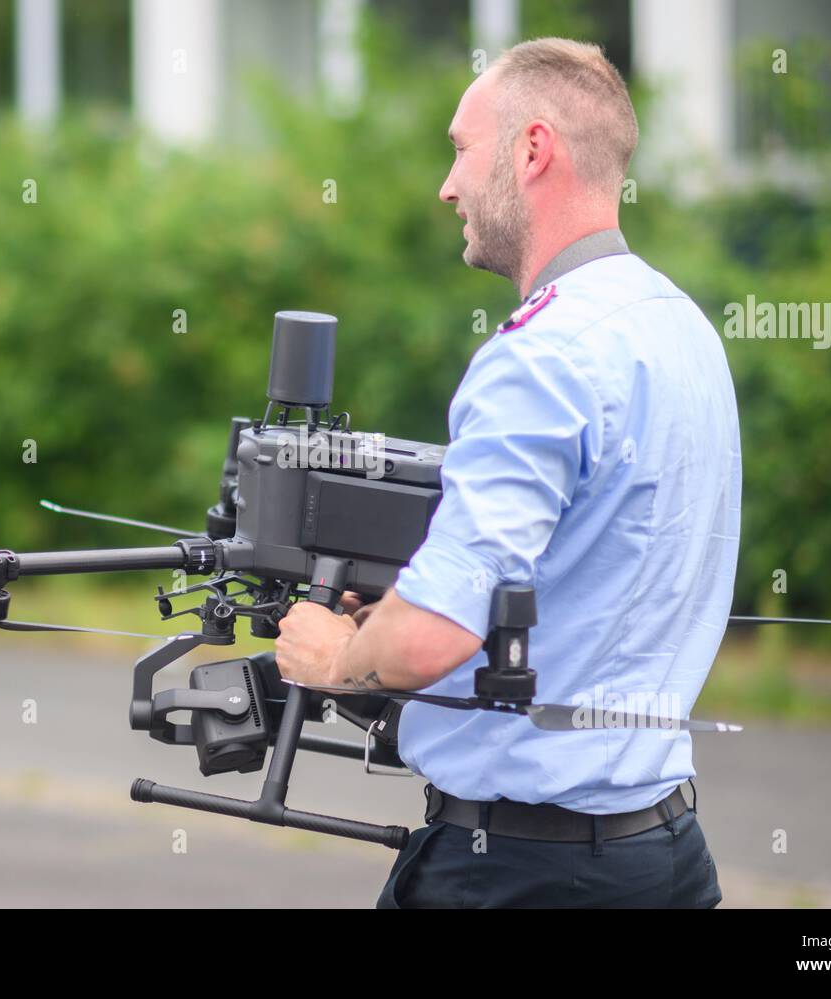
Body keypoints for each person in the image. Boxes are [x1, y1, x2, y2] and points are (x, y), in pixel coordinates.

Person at [274, 36, 740, 909]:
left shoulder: (540, 354)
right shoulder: (683, 328)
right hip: (668, 855)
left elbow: (426, 641)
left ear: (531, 150)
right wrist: (405, 613)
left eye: (459, 149)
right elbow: (599, 581)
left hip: (519, 869)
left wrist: (341, 653)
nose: (447, 185)